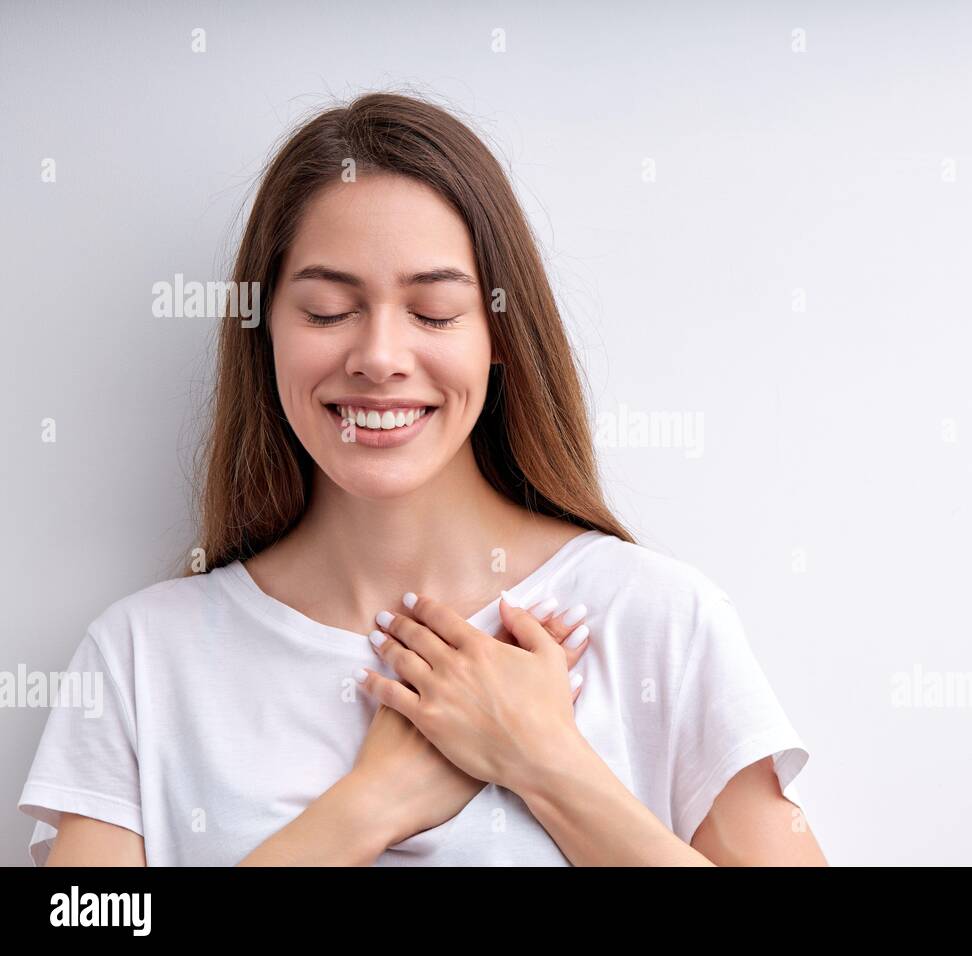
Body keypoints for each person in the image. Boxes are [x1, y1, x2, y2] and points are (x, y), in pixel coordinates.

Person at [17, 92, 824, 866]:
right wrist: (367, 807)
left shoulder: (658, 620)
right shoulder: (140, 658)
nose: (378, 356)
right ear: (265, 334)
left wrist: (548, 763)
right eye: (329, 310)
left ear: (500, 332)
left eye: (434, 312)